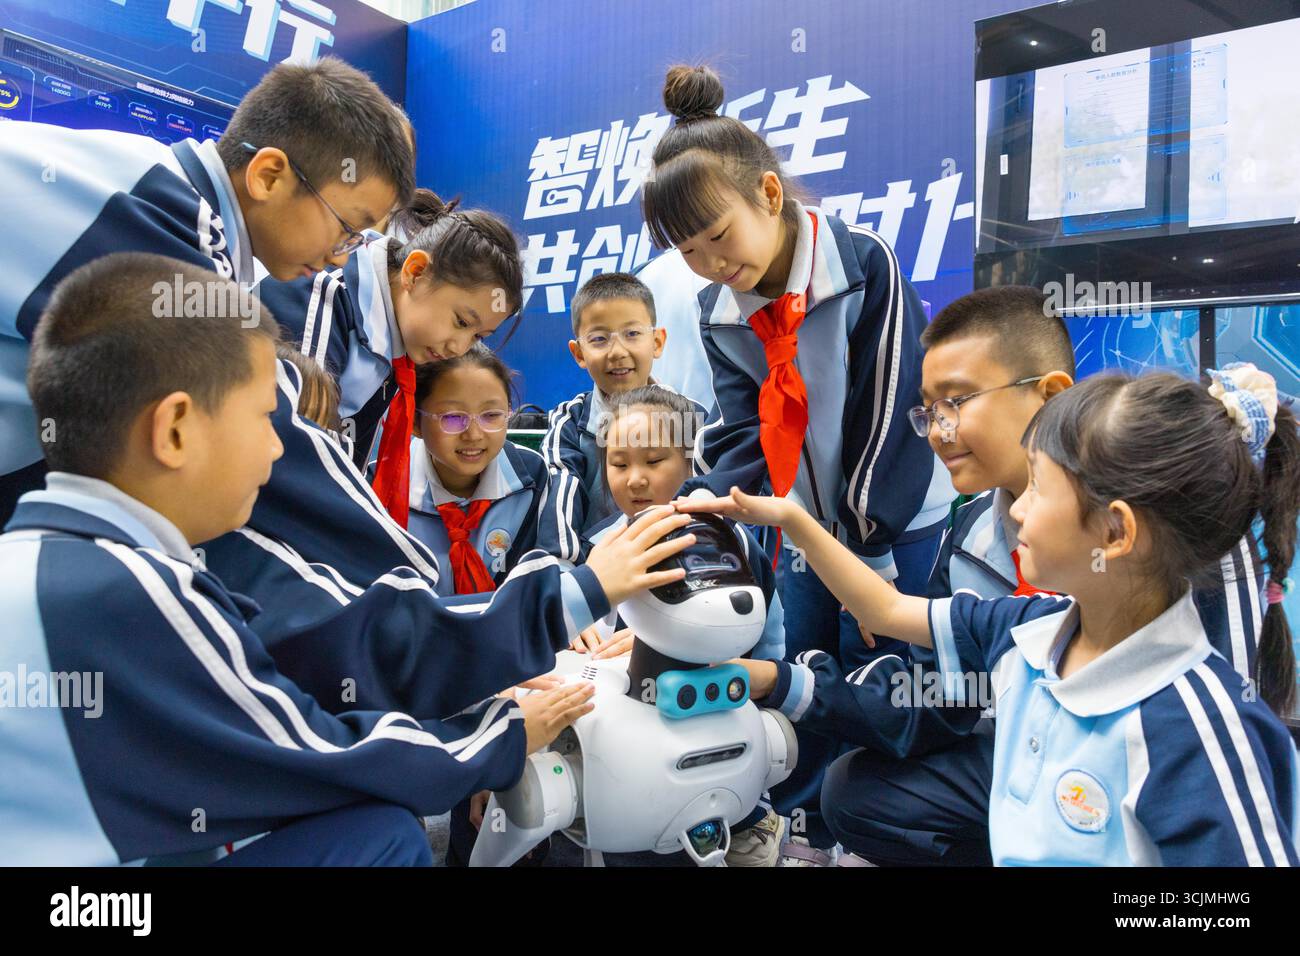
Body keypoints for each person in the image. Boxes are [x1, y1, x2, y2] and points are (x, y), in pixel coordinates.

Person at [682, 364, 1300, 865]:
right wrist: (792, 519)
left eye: (1037, 487)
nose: (1018, 509)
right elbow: (887, 608)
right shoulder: (1029, 631)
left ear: (1114, 531)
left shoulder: (1195, 723)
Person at [643, 63, 954, 862]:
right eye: (688, 251)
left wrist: (867, 540)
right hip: (805, 531)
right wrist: (696, 515)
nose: (710, 263)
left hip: (899, 526)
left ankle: (880, 834)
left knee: (891, 691)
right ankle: (808, 838)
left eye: (719, 237)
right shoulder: (721, 312)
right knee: (804, 684)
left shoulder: (862, 266)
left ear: (771, 198)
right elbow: (744, 436)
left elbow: (892, 417)